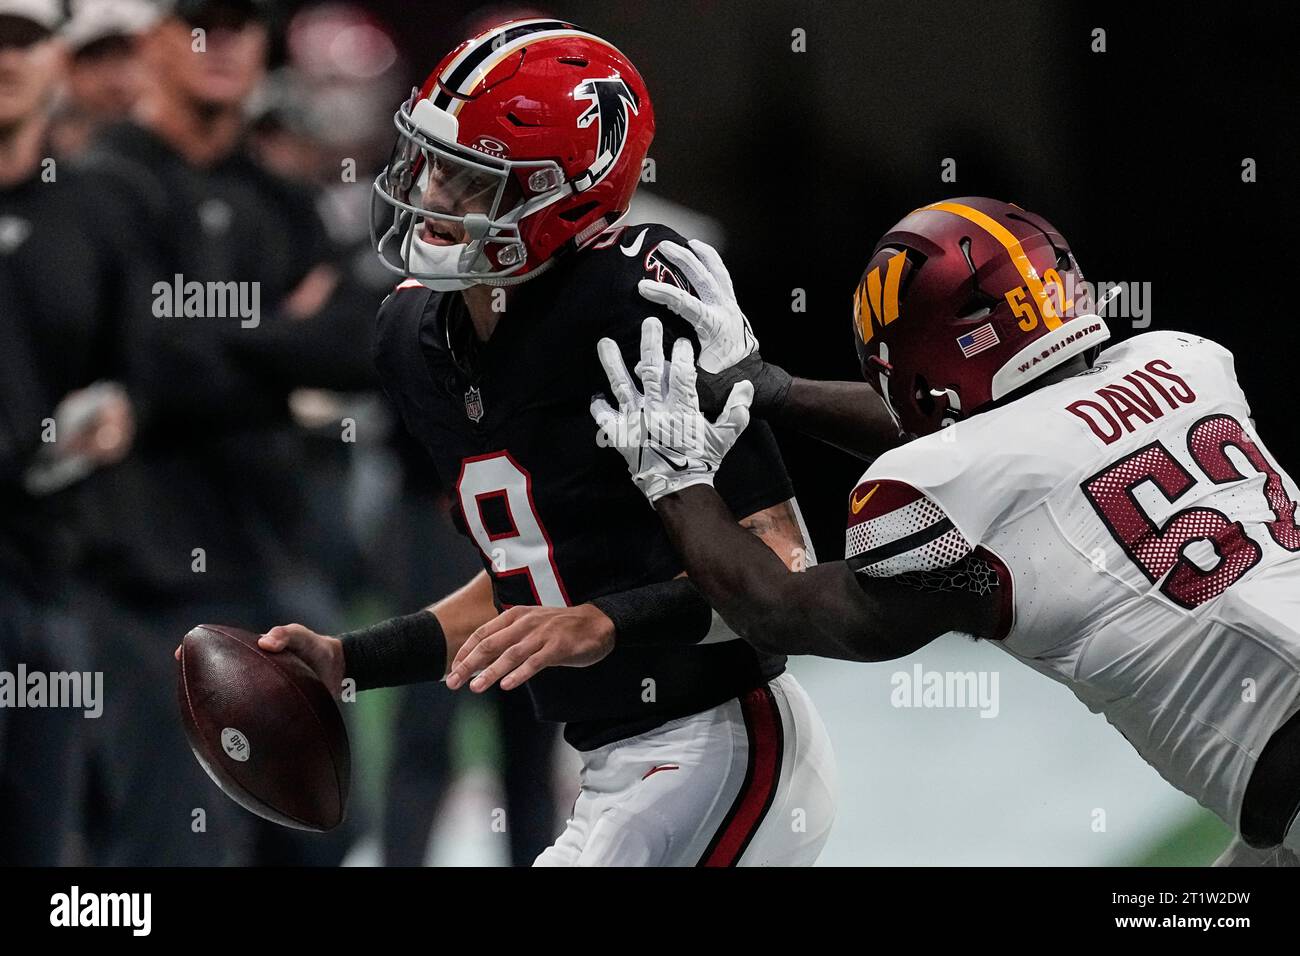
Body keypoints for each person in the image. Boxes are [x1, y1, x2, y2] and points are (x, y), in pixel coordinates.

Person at [257, 18, 837, 867]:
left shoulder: (637, 308)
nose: (433, 195)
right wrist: (351, 658)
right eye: (431, 162)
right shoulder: (412, 338)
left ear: (567, 196)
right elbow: (528, 584)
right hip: (616, 764)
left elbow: (783, 569)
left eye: (473, 178)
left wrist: (603, 623)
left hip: (724, 742)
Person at [566, 196, 1300, 866]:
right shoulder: (1183, 362)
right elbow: (1013, 439)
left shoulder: (959, 488)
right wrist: (773, 389)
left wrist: (677, 482)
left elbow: (777, 609)